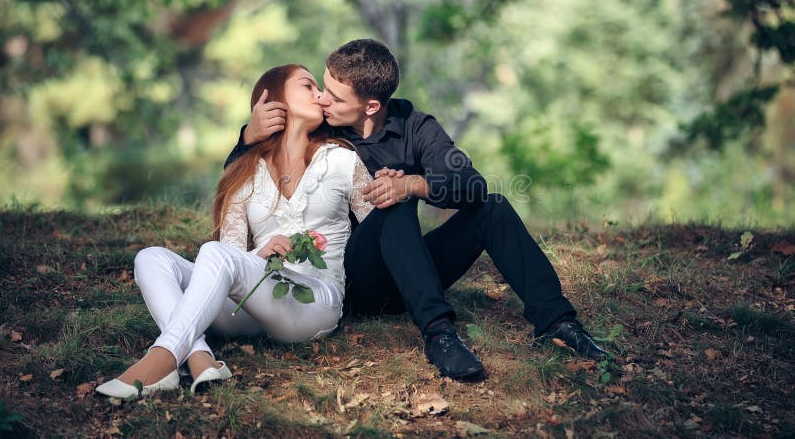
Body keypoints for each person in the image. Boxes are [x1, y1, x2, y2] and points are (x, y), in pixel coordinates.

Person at [225, 39, 607, 382]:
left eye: (336, 98)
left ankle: (559, 324)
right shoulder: (321, 128)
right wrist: (248, 135)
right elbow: (247, 177)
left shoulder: (415, 126)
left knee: (493, 207)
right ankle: (440, 334)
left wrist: (413, 183)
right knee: (393, 205)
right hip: (358, 278)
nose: (323, 100)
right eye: (322, 88)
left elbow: (471, 184)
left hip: (413, 268)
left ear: (371, 106)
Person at [96, 64, 373, 399]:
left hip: (314, 299)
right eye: (308, 85)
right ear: (274, 99)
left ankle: (163, 358)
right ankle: (199, 356)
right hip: (254, 299)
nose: (321, 95)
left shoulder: (342, 160)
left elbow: (377, 233)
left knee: (211, 253)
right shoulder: (245, 170)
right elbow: (232, 255)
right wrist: (260, 253)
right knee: (151, 258)